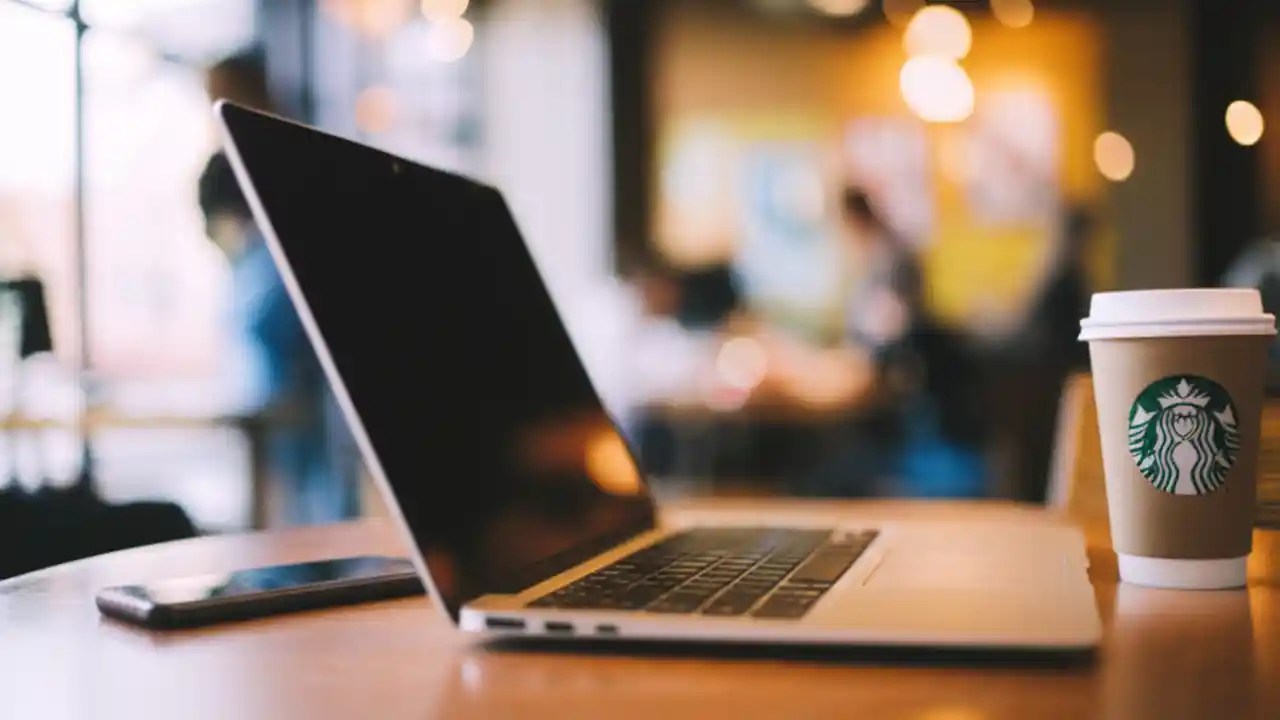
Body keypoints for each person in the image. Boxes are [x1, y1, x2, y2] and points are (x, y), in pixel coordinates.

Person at [199, 54, 359, 525]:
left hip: (291, 336)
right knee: (288, 472)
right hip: (271, 340)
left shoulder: (287, 156)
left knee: (310, 474)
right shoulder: (225, 167)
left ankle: (311, 560)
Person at [805, 188, 987, 497]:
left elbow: (887, 327)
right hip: (905, 381)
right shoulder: (887, 251)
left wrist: (856, 356)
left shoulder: (889, 258)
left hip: (905, 389)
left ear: (853, 219)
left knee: (831, 466)